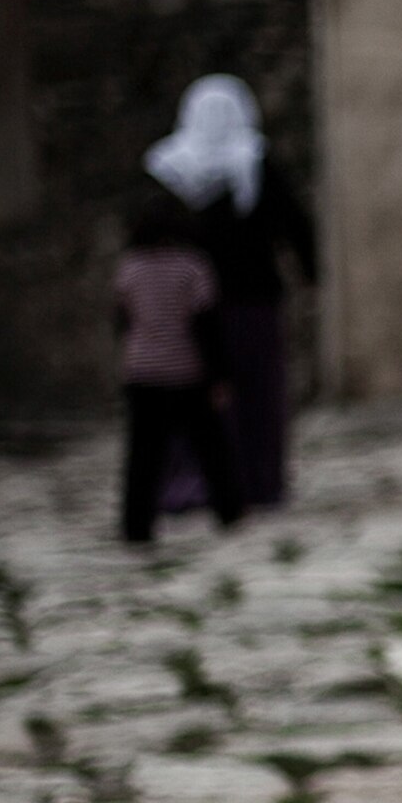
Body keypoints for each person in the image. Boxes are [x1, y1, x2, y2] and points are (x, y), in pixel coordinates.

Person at [144, 74, 316, 509]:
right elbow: (295, 226)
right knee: (255, 395)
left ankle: (193, 484)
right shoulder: (254, 163)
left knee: (189, 393)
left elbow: (147, 239)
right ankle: (256, 483)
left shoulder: (168, 169)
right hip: (252, 301)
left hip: (187, 307)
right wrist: (312, 273)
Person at [115, 189, 247, 544]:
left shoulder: (129, 269)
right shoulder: (193, 267)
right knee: (212, 448)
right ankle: (229, 511)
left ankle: (136, 525)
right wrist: (220, 376)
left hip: (142, 373)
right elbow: (207, 326)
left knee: (142, 456)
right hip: (186, 373)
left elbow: (122, 320)